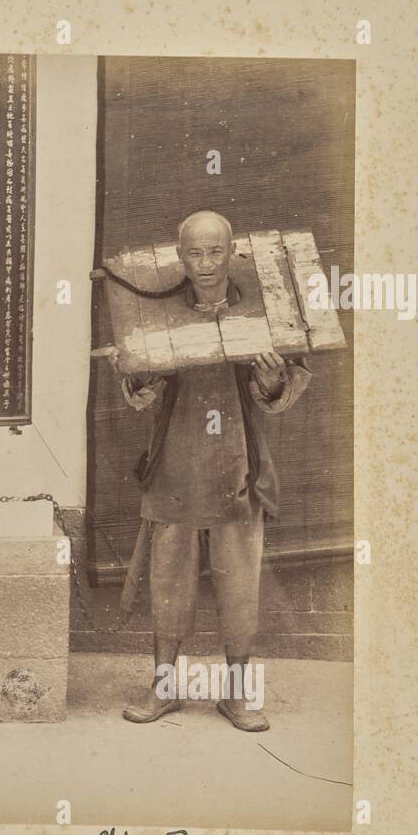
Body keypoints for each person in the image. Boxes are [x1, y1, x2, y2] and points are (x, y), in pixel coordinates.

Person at [112, 209, 310, 732]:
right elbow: (138, 393)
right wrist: (143, 379)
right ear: (179, 257)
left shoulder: (260, 313)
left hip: (236, 468)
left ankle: (238, 695)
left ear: (233, 255)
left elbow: (279, 394)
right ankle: (164, 689)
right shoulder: (158, 319)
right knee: (169, 583)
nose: (205, 263)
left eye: (215, 251)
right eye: (194, 252)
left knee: (239, 585)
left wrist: (270, 381)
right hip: (175, 465)